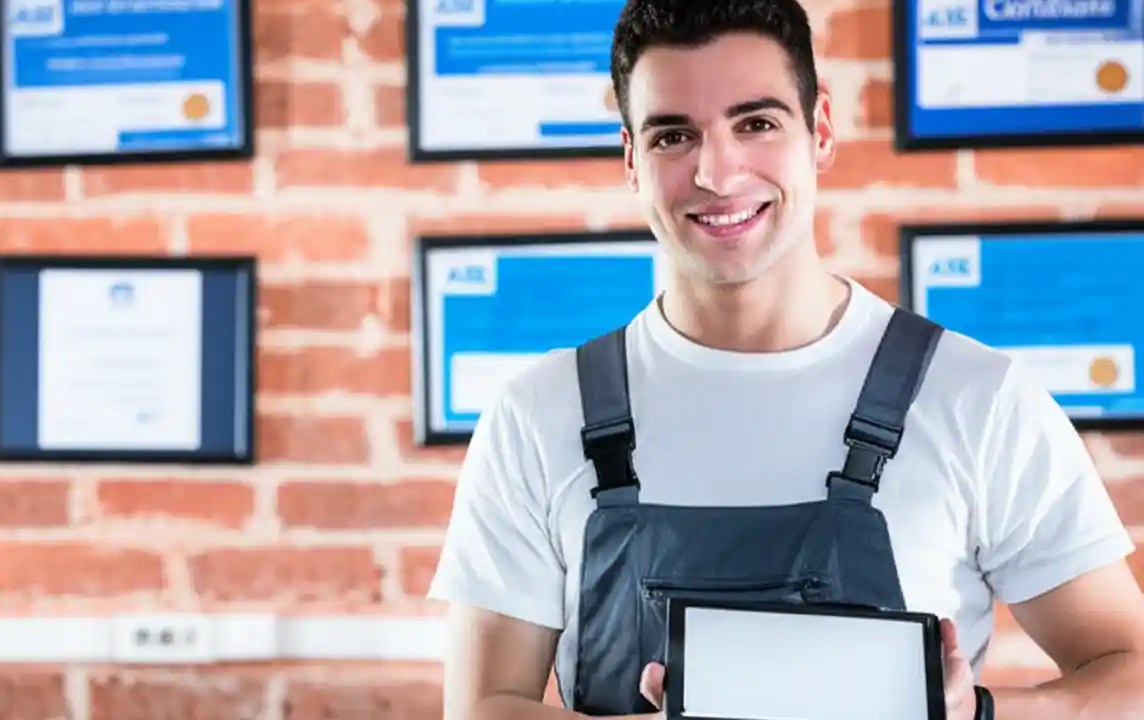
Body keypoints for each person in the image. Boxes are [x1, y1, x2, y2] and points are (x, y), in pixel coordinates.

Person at [426, 0, 1144, 718]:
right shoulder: (539, 413)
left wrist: (971, 714)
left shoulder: (978, 399)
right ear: (630, 159)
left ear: (820, 130)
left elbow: (1130, 672)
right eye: (674, 135)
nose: (717, 171)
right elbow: (485, 704)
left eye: (756, 123)